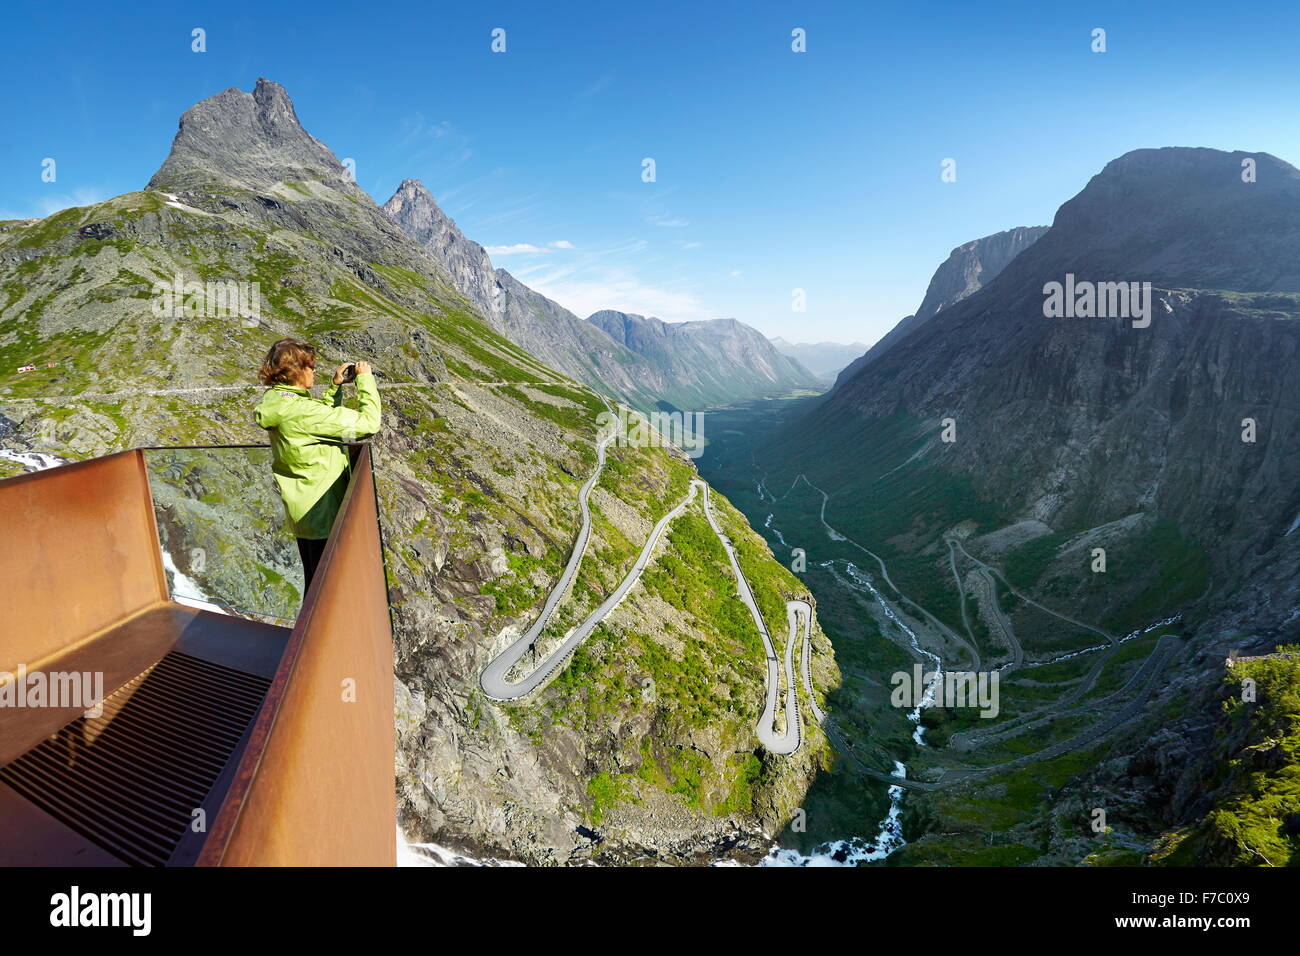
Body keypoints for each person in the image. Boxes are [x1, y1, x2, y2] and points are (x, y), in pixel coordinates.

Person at [254, 338, 382, 591]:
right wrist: (366, 380)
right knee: (330, 595)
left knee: (316, 587)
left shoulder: (278, 401)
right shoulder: (300, 411)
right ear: (297, 370)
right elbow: (369, 423)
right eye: (311, 366)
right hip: (323, 513)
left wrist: (334, 388)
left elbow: (315, 422)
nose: (314, 370)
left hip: (304, 512)